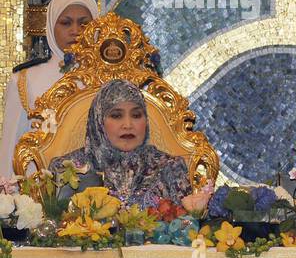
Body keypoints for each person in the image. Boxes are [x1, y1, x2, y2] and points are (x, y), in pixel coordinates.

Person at [48, 80, 191, 207]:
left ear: (145, 121)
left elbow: (187, 227)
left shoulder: (169, 168)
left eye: (136, 115)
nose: (128, 125)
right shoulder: (68, 169)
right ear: (98, 121)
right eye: (116, 116)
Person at [1, 0, 98, 175]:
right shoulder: (25, 79)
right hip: (38, 193)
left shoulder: (108, 79)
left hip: (98, 195)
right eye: (66, 23)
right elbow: (10, 148)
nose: (75, 31)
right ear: (52, 26)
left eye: (84, 24)